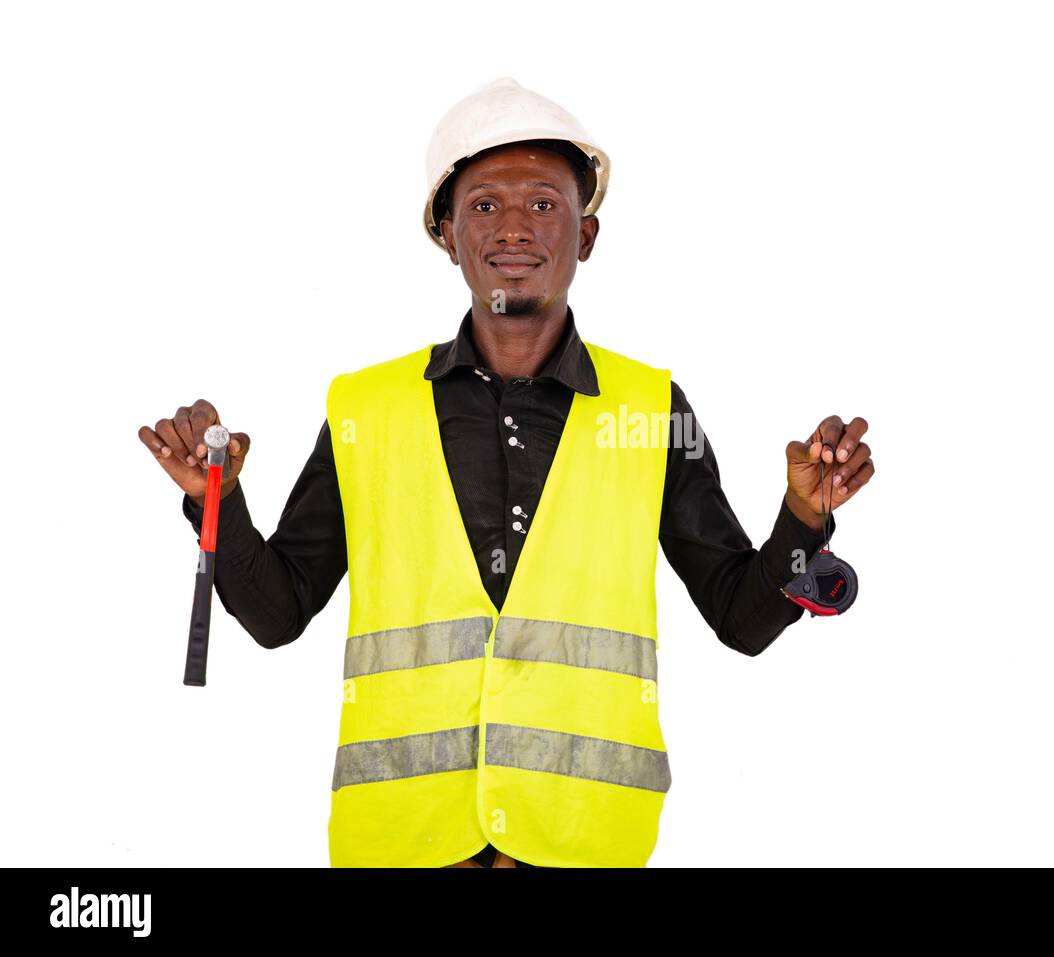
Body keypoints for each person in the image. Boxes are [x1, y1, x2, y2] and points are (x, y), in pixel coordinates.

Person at [139, 78, 875, 868]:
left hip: (583, 844)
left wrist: (803, 518)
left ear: (586, 235)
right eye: (484, 205)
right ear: (446, 236)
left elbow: (742, 618)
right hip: (405, 846)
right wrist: (217, 500)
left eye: (544, 204)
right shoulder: (369, 410)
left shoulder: (652, 410)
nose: (514, 227)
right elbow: (279, 611)